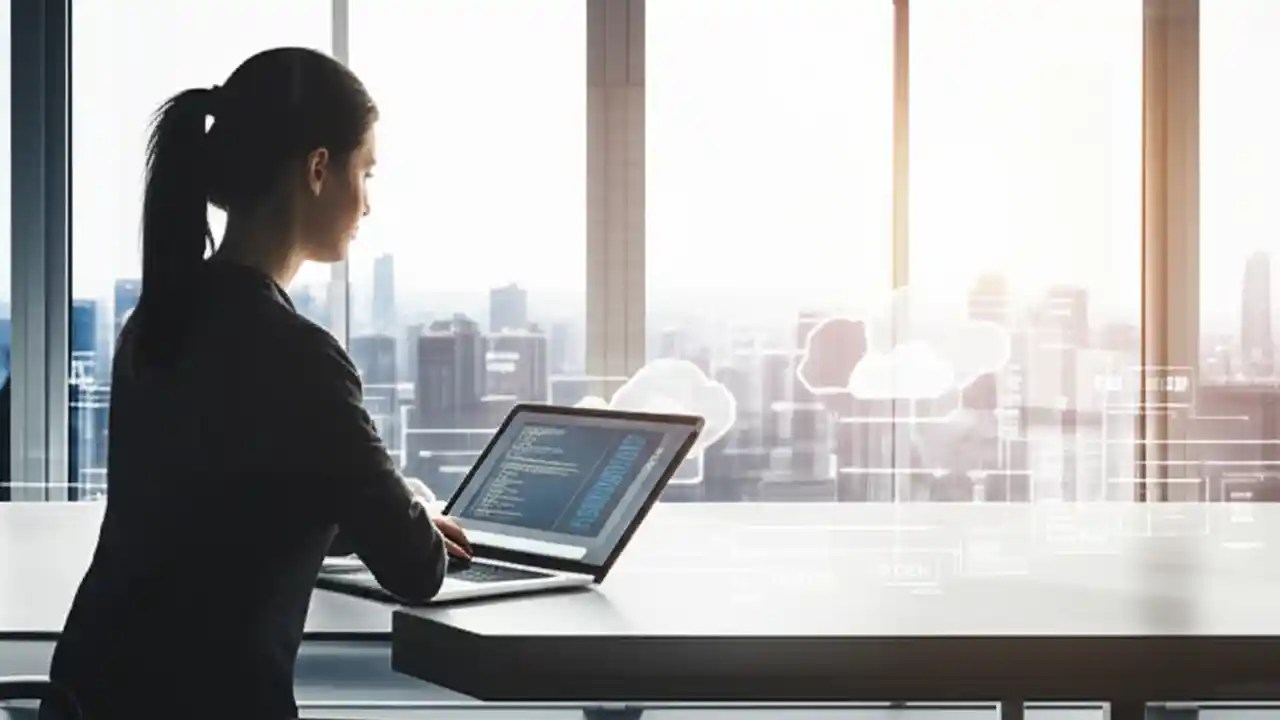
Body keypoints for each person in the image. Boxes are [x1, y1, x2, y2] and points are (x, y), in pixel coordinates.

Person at [47, 47, 471, 719]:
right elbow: (416, 570)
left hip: (89, 694)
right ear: (318, 169)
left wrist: (370, 516)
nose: (368, 202)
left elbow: (233, 511)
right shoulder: (302, 358)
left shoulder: (153, 324)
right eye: (365, 172)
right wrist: (411, 507)